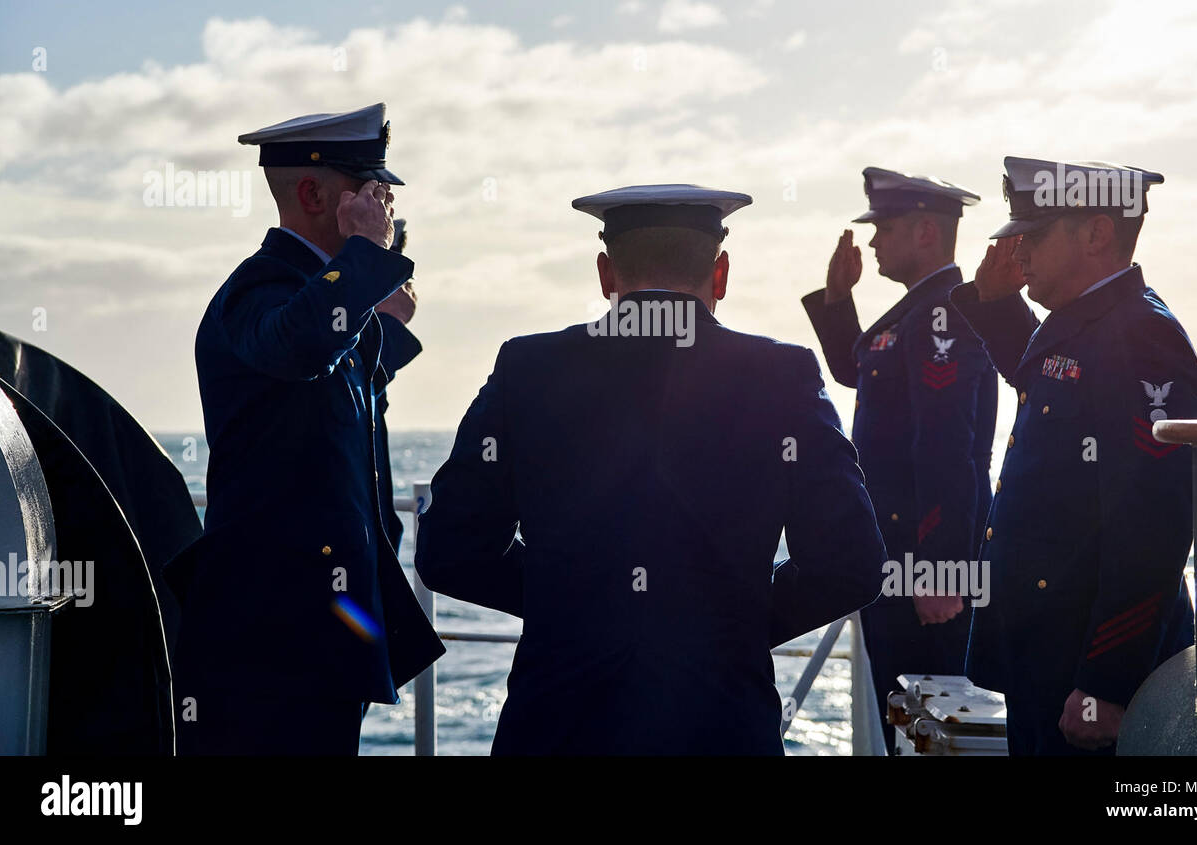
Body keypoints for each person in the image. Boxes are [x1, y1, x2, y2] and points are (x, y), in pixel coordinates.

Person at [416, 184, 888, 755]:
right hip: (721, 724)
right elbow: (853, 564)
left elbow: (448, 550)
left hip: (558, 725)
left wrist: (574, 607)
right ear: (721, 274)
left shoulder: (528, 368)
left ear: (605, 274)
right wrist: (726, 619)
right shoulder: (783, 375)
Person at [166, 103, 443, 755]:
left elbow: (334, 398)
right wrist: (366, 262)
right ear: (317, 192)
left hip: (319, 641)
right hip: (269, 643)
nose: (386, 207)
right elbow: (299, 350)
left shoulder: (316, 299)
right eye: (371, 191)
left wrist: (382, 313)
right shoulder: (259, 292)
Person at [950, 156, 1197, 755]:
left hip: (1086, 671)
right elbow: (1050, 387)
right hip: (1047, 657)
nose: (1019, 249)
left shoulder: (1143, 338)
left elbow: (1152, 522)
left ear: (1096, 233)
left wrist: (1107, 685)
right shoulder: (1084, 325)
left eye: (1034, 234)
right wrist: (991, 302)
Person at [801, 167, 997, 751]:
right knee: (906, 725)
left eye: (884, 228)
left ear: (926, 234)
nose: (873, 241)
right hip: (902, 557)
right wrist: (839, 303)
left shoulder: (944, 316)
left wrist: (939, 567)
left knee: (935, 728)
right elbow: (867, 378)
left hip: (926, 565)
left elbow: (944, 445)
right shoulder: (918, 313)